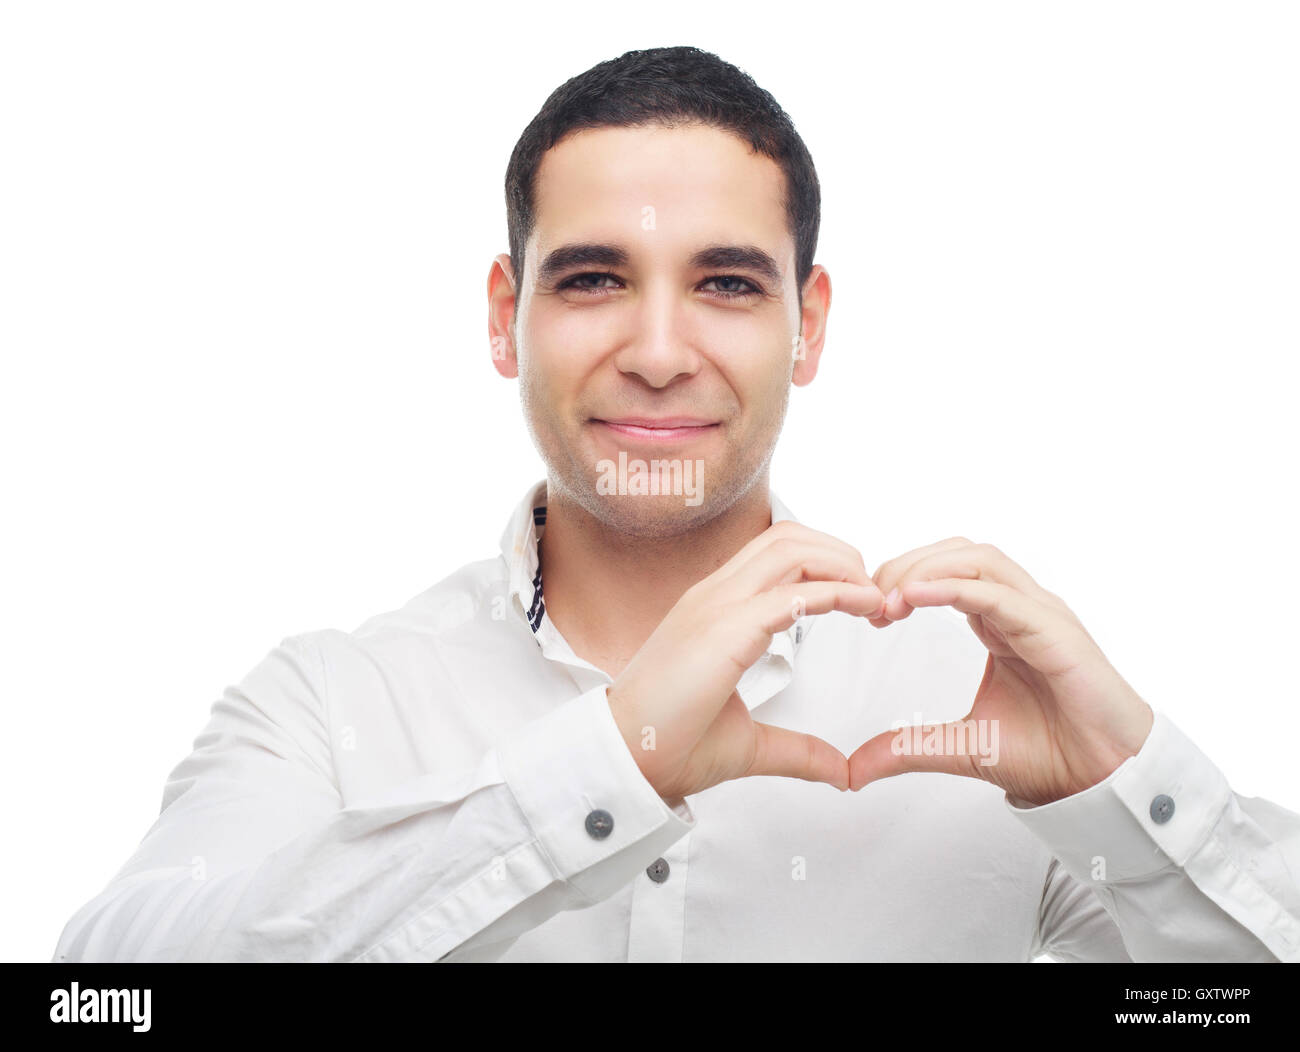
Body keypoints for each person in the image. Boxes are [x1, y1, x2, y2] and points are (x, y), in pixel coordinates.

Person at [53, 45, 1300, 963]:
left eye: (725, 284)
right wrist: (600, 771)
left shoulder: (972, 708)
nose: (657, 349)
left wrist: (1135, 795)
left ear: (807, 327)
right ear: (507, 316)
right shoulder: (328, 704)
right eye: (594, 278)